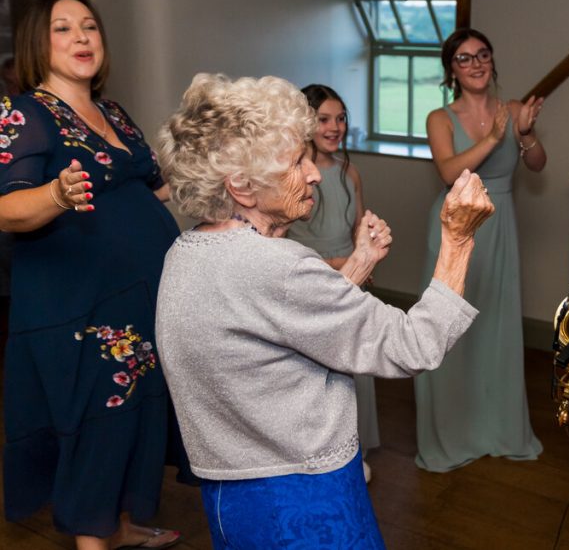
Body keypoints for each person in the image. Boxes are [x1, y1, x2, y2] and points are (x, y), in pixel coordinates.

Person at [154, 73, 494, 549]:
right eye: (297, 161)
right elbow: (412, 346)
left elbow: (282, 328)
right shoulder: (280, 267)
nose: (314, 173)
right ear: (242, 187)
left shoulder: (187, 251)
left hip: (231, 496)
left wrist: (355, 264)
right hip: (301, 497)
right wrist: (458, 240)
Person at [0, 0, 182, 549]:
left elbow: (157, 191)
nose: (82, 38)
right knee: (98, 430)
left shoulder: (113, 113)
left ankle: (120, 526)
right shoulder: (25, 113)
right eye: (63, 29)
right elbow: (7, 209)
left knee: (132, 422)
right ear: (38, 42)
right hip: (82, 311)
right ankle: (94, 539)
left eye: (90, 27)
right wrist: (54, 193)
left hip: (141, 300)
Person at [414, 27, 546, 472]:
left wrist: (524, 133)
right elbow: (450, 172)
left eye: (482, 55)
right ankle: (452, 434)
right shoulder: (439, 116)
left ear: (492, 61)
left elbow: (537, 162)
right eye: (465, 58)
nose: (475, 64)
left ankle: (498, 428)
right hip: (459, 226)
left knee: (495, 329)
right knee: (452, 329)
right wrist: (491, 138)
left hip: (501, 224)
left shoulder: (512, 110)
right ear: (452, 69)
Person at [287, 83, 379, 483]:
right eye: (324, 119)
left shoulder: (348, 170)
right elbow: (288, 241)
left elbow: (358, 222)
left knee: (353, 364)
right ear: (307, 122)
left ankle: (351, 448)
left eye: (340, 118)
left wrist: (368, 244)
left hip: (353, 279)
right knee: (319, 372)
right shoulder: (295, 175)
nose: (335, 126)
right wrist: (346, 261)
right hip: (314, 277)